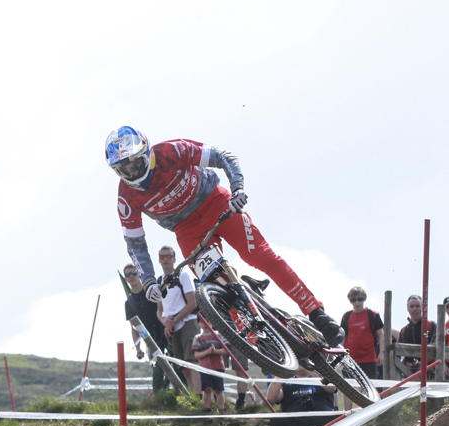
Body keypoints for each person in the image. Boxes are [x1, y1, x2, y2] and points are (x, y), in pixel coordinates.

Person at [105, 124, 344, 346]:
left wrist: (238, 187)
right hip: (186, 230)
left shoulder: (172, 151)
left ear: (146, 152)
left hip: (216, 203)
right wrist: (147, 280)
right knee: (216, 287)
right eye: (122, 169)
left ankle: (316, 312)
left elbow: (223, 157)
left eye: (135, 163)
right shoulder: (126, 197)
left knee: (259, 256)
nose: (131, 172)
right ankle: (259, 342)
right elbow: (135, 244)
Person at [156, 244, 202, 394]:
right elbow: (159, 311)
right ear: (159, 260)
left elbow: (192, 303)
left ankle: (199, 397)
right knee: (182, 365)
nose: (166, 260)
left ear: (174, 259)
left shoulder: (183, 275)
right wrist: (166, 323)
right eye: (162, 257)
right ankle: (194, 398)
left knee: (192, 362)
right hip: (172, 327)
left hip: (188, 321)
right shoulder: (159, 281)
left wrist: (173, 320)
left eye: (168, 256)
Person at [121, 264, 170, 393]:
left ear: (139, 275)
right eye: (128, 274)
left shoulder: (151, 291)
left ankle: (182, 395)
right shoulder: (129, 303)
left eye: (134, 273)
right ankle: (160, 398)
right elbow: (134, 327)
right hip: (151, 340)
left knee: (177, 366)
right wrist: (138, 349)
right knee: (157, 369)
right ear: (125, 279)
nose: (131, 276)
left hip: (168, 332)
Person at [266, 366, 338, 426]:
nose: (300, 363)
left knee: (338, 417)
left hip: (322, 419)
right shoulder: (286, 382)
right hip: (296, 422)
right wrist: (281, 372)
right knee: (277, 419)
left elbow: (332, 388)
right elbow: (271, 398)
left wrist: (310, 367)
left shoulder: (320, 379)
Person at [339, 286, 386, 383]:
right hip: (350, 359)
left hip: (369, 358)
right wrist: (340, 354)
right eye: (354, 300)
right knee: (350, 389)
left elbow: (381, 334)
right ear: (349, 300)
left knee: (370, 389)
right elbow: (343, 337)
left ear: (365, 298)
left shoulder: (373, 315)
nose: (357, 302)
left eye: (360, 299)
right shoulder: (346, 317)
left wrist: (382, 353)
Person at [191, 318, 229, 412]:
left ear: (212, 322)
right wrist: (208, 352)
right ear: (199, 323)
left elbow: (226, 350)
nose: (205, 324)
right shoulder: (197, 338)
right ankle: (207, 409)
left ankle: (221, 409)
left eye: (208, 321)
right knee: (207, 389)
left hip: (218, 367)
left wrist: (214, 351)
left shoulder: (219, 335)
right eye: (202, 322)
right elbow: (196, 355)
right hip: (204, 368)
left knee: (219, 389)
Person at [396, 295, 436, 376]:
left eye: (417, 306)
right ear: (408, 309)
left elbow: (439, 343)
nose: (415, 309)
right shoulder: (404, 330)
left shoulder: (431, 324)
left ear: (422, 308)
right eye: (412, 306)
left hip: (430, 369)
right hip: (409, 371)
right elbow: (397, 351)